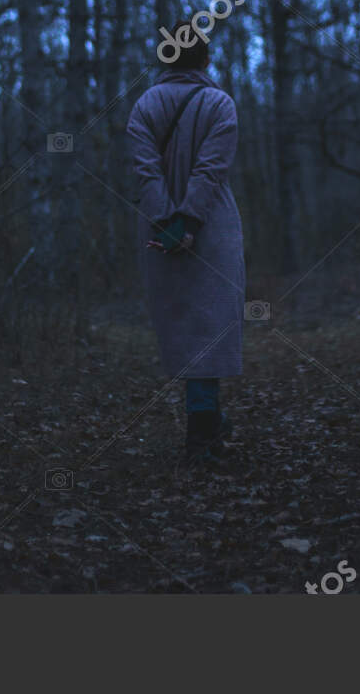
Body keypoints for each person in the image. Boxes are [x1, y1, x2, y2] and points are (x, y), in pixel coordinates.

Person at [126, 24, 245, 466]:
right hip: (213, 224)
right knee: (208, 325)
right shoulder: (220, 103)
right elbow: (210, 171)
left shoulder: (144, 105)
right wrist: (190, 221)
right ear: (205, 58)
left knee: (186, 326)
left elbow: (146, 173)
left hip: (160, 228)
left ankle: (208, 420)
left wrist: (167, 223)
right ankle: (203, 430)